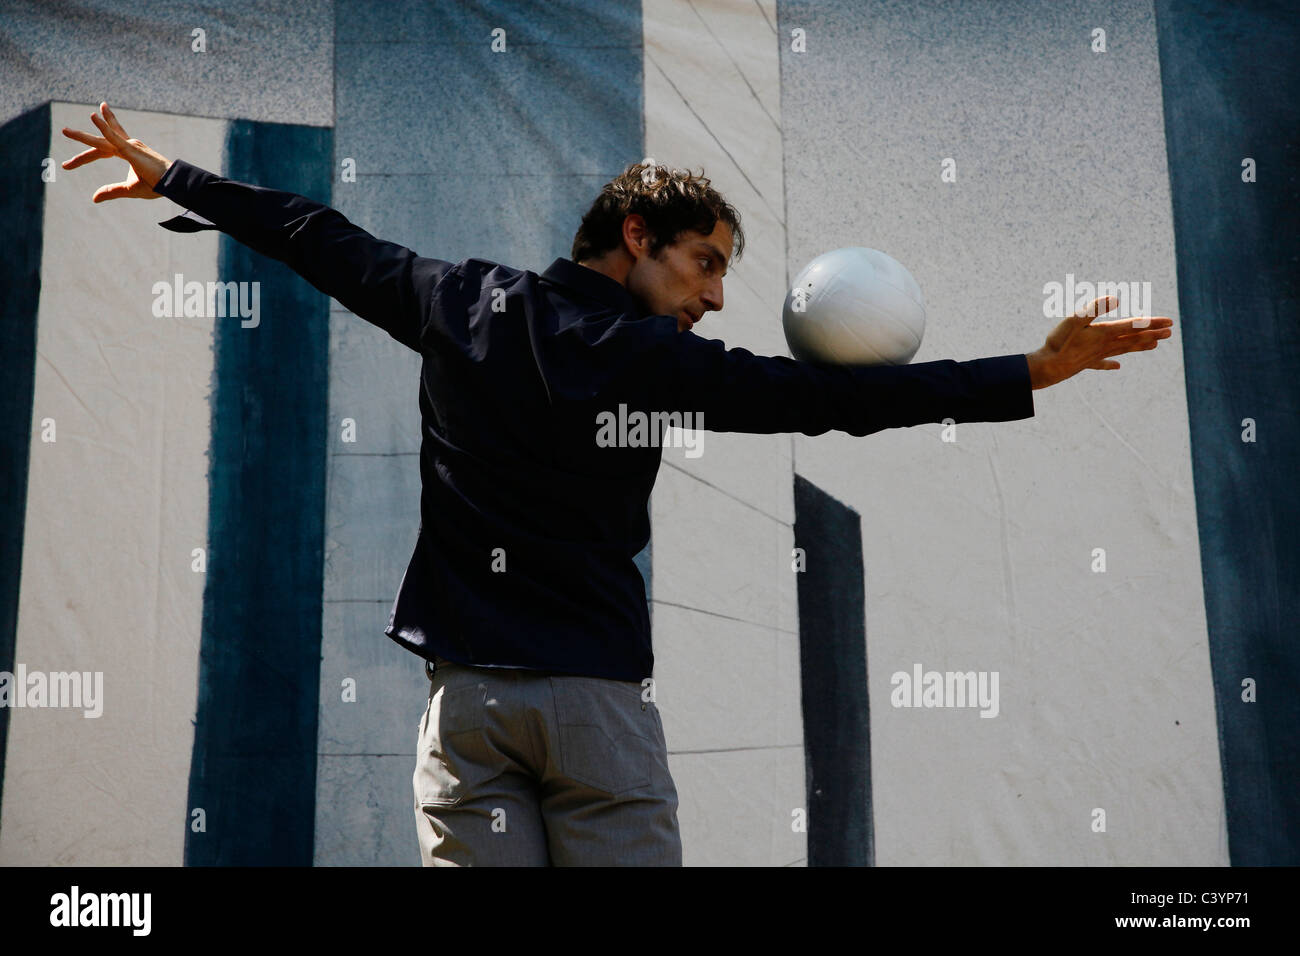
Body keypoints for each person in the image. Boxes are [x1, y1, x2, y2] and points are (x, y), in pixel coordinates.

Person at [61, 102, 1174, 867]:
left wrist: (180, 178)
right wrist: (1034, 367)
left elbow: (320, 236)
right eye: (705, 263)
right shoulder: (658, 360)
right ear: (636, 235)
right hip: (594, 710)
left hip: (468, 714)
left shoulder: (458, 299)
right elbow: (837, 400)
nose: (718, 297)